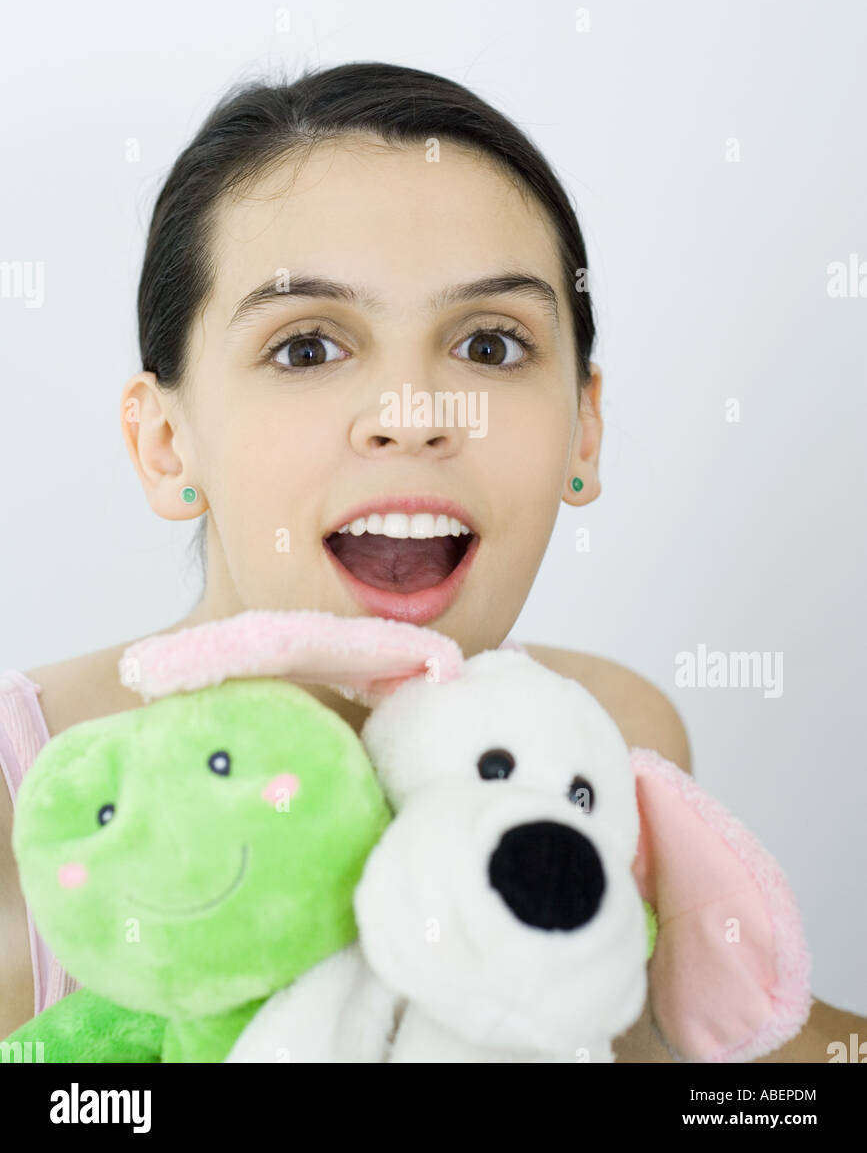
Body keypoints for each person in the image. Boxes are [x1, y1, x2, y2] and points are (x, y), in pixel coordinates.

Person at [0, 62, 859, 1058]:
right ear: (165, 444)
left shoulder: (609, 738)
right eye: (307, 348)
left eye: (490, 346)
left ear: (585, 431)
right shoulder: (27, 799)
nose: (414, 416)